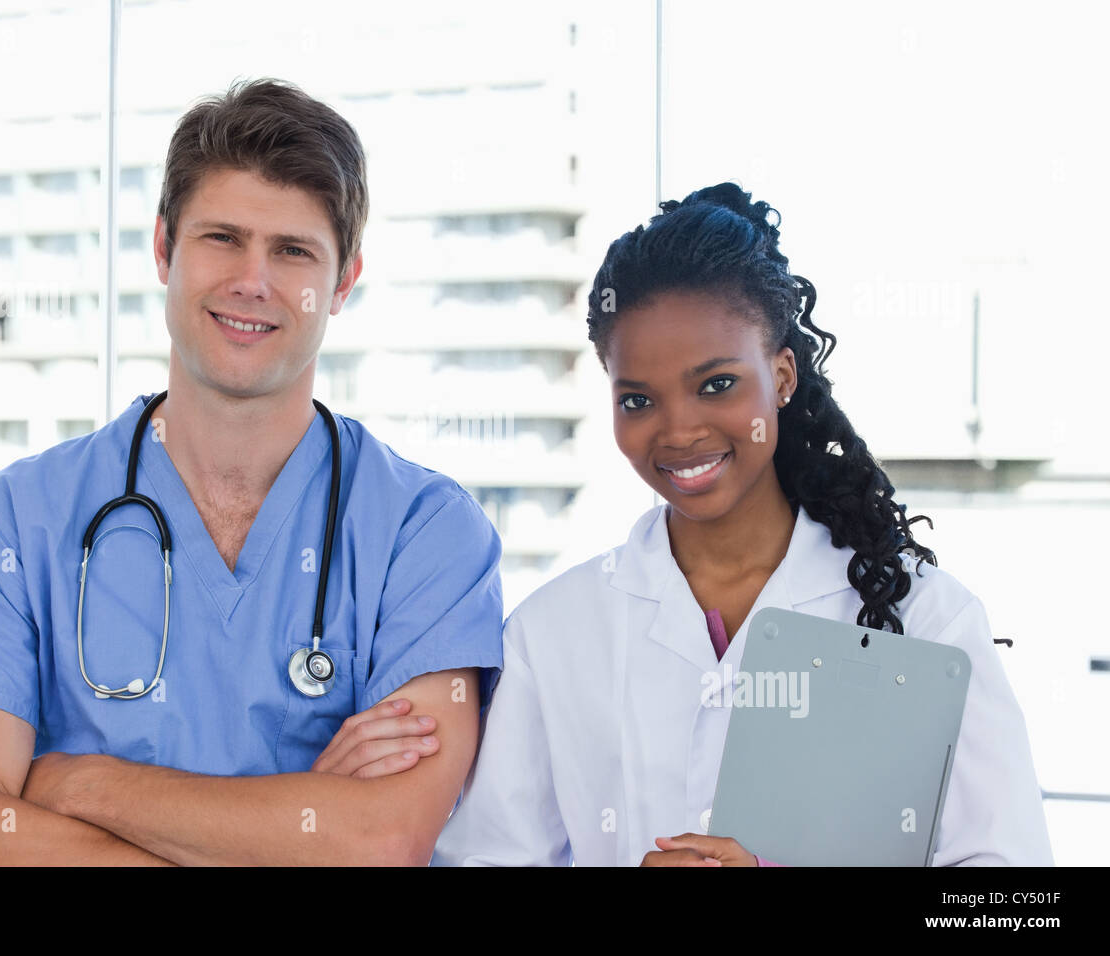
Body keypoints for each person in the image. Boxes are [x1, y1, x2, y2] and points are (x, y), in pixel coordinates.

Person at [0, 77, 503, 866]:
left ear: (342, 282)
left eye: (293, 251)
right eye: (222, 238)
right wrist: (300, 820)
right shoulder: (16, 524)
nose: (252, 280)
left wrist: (79, 784)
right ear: (165, 248)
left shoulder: (426, 534)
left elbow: (379, 840)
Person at [431, 183, 1053, 867]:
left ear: (781, 375)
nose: (679, 430)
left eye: (717, 384)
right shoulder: (552, 634)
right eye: (638, 399)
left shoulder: (929, 618)